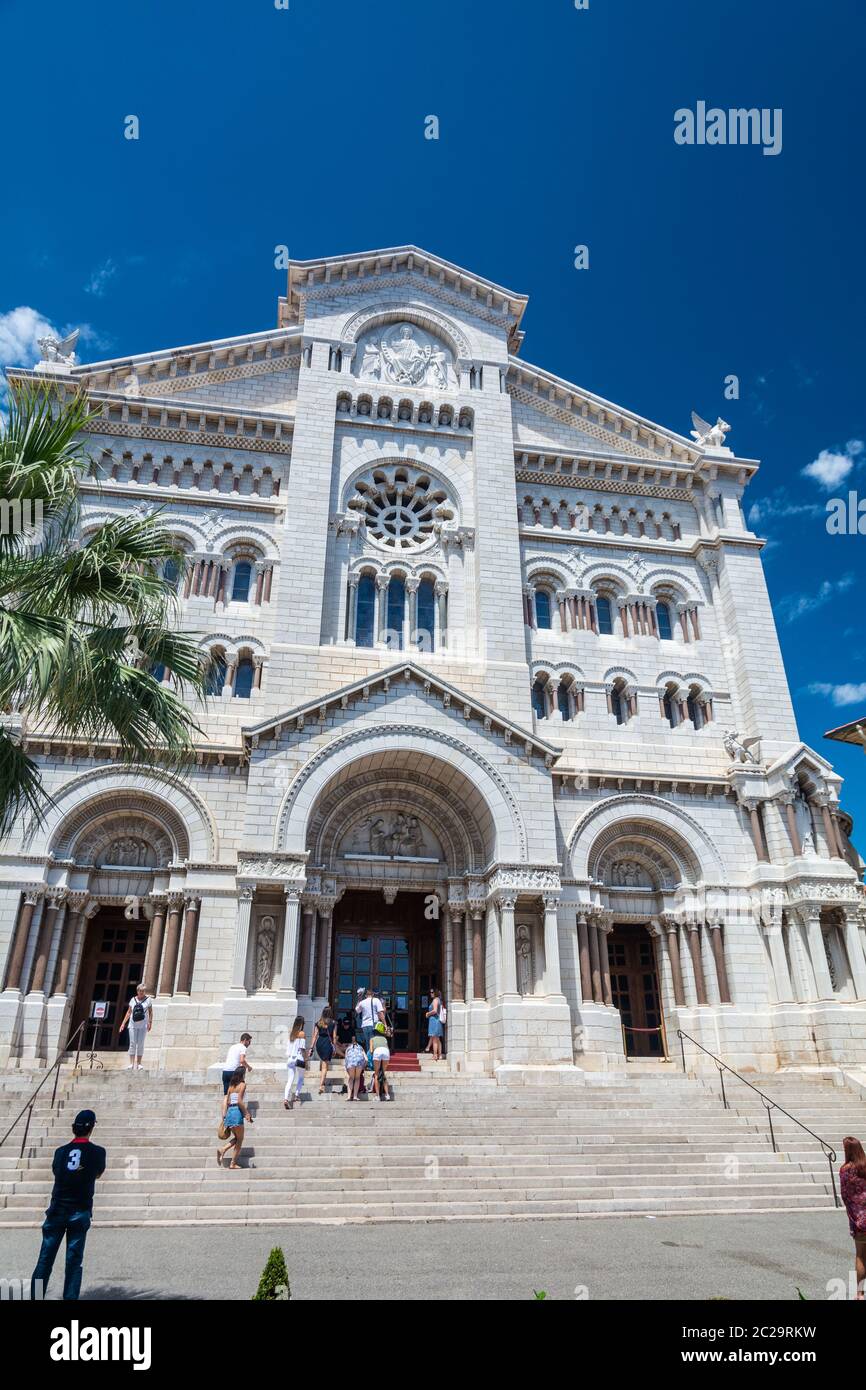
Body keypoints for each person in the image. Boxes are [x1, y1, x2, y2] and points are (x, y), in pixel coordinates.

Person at [31, 1109, 106, 1300]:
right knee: (73, 1261)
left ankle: (36, 1296)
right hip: (79, 1211)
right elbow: (97, 1173)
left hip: (57, 1210)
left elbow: (58, 1172)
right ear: (91, 1128)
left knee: (45, 1259)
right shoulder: (98, 1152)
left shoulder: (60, 1152)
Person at [840, 1135, 866, 1300]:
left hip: (859, 1220)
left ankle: (859, 1293)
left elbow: (845, 1195)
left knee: (861, 1255)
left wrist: (852, 1214)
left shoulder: (845, 1169)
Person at [217, 1068, 250, 1170]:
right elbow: (239, 1101)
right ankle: (232, 1163)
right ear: (242, 1075)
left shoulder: (231, 1086)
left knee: (237, 1138)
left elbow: (227, 1101)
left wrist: (225, 1115)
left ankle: (223, 1149)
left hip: (230, 1112)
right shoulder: (242, 1085)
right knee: (240, 1139)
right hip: (236, 1111)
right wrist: (246, 1113)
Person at [117, 983, 152, 1070]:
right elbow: (129, 1012)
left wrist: (150, 1022)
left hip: (143, 1025)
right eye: (140, 991)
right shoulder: (133, 1000)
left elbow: (151, 1012)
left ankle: (139, 1064)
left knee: (140, 1044)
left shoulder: (148, 1000)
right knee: (132, 1043)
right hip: (132, 1024)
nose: (141, 993)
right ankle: (131, 1064)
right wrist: (123, 1024)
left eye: (143, 991)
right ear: (137, 991)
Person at [310, 1007, 337, 1094]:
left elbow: (314, 1036)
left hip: (319, 1044)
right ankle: (321, 1085)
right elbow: (334, 1037)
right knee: (325, 1066)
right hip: (327, 1043)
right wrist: (335, 1047)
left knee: (323, 1063)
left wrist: (311, 1048)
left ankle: (323, 1081)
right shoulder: (333, 1023)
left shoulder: (318, 1023)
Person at [284, 1015, 306, 1111]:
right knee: (301, 1077)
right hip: (299, 1058)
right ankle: (296, 1095)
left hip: (290, 1059)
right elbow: (302, 1049)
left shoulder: (291, 1034)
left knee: (290, 1080)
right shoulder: (301, 1034)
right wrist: (306, 1059)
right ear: (301, 1024)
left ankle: (285, 1099)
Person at [355, 986, 384, 1050]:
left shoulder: (362, 1002)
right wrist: (385, 1024)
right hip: (373, 1025)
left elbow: (357, 1010)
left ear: (365, 995)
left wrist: (359, 999)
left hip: (365, 1025)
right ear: (373, 994)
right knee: (373, 1043)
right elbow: (380, 1013)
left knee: (368, 1043)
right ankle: (373, 1058)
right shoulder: (376, 1000)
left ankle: (369, 1057)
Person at [369, 1021, 393, 1101]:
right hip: (386, 1051)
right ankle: (387, 1095)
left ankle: (377, 1096)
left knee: (376, 1074)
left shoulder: (372, 1039)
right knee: (382, 1073)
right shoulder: (384, 1039)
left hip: (377, 1052)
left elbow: (371, 1051)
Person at [425, 987, 445, 1061]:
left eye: (432, 992)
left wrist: (428, 1013)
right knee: (438, 1039)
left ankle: (435, 1055)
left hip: (434, 1020)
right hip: (437, 1021)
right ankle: (439, 1055)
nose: (431, 994)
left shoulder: (435, 1000)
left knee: (434, 1039)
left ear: (435, 993)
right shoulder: (439, 1000)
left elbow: (435, 1010)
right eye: (430, 992)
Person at [344, 1037, 367, 1101]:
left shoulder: (348, 1048)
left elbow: (346, 1058)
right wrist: (363, 1066)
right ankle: (355, 1097)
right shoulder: (361, 1048)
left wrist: (346, 1068)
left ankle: (349, 1097)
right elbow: (366, 1059)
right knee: (357, 1078)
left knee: (351, 1078)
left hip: (350, 1062)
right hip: (359, 1062)